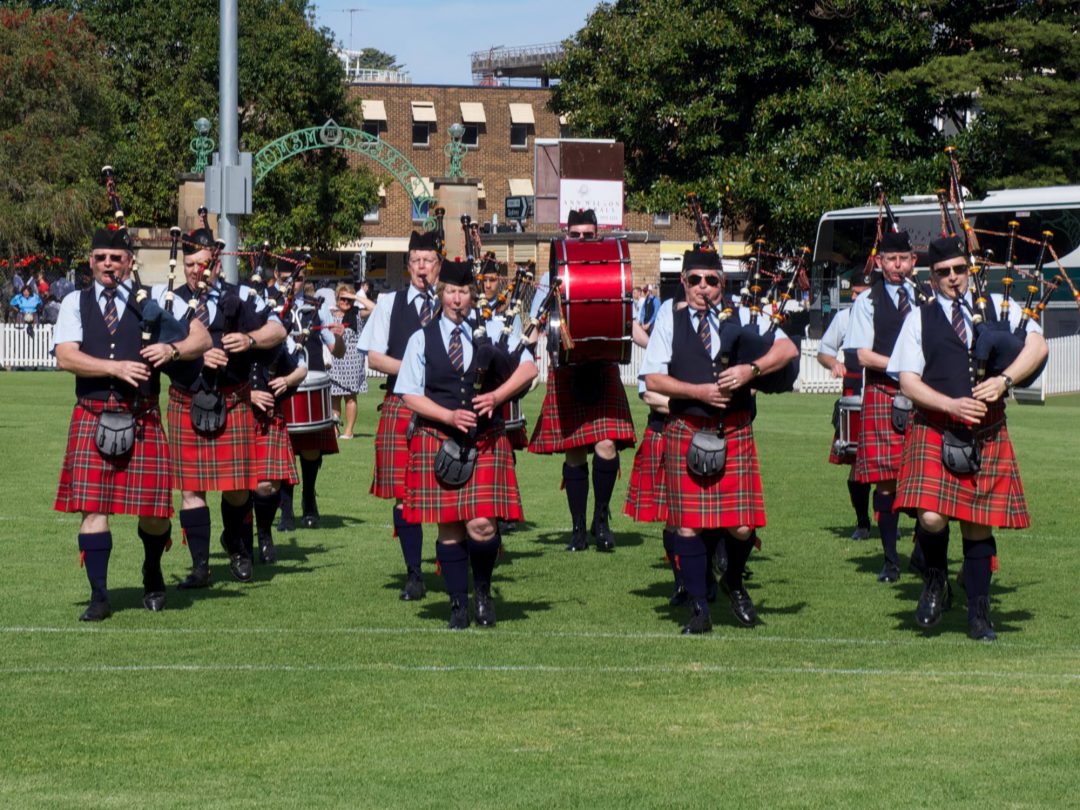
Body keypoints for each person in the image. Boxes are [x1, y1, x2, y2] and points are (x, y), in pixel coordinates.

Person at [888, 236, 1047, 641]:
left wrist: (1004, 380)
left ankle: (979, 610)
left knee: (978, 525)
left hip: (987, 432)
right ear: (932, 276)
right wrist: (951, 405)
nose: (953, 278)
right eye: (944, 272)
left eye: (960, 269)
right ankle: (936, 581)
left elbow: (1038, 345)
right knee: (931, 516)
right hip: (936, 427)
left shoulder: (1000, 306)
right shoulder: (918, 318)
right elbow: (907, 380)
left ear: (969, 269)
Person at [53, 227, 210, 620]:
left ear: (129, 263)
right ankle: (99, 595)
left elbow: (202, 338)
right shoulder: (76, 301)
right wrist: (114, 367)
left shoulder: (154, 298)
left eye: (116, 258)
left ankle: (153, 572)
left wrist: (171, 349)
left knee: (156, 513)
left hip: (142, 416)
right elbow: (66, 357)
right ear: (91, 262)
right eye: (101, 257)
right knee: (93, 509)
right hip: (92, 414)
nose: (108, 264)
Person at [641, 249, 798, 633]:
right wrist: (698, 392)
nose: (703, 288)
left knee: (742, 526)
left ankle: (734, 581)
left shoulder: (744, 314)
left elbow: (788, 349)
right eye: (694, 280)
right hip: (686, 428)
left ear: (722, 284)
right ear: (683, 282)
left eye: (711, 280)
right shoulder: (668, 318)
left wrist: (751, 369)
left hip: (735, 430)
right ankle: (699, 607)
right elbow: (653, 379)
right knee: (689, 527)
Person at [396, 258, 537, 628]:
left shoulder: (494, 328)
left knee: (483, 527)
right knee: (450, 527)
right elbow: (409, 393)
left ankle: (483, 593)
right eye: (452, 292)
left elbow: (529, 368)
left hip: (486, 439)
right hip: (439, 438)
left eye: (464, 292)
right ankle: (458, 602)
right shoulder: (421, 338)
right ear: (441, 293)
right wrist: (447, 416)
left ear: (473, 295)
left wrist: (496, 397)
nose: (458, 299)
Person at [155, 226, 286, 590]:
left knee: (238, 488)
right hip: (186, 398)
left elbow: (278, 330)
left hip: (232, 399)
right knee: (191, 490)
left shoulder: (241, 294)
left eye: (204, 264)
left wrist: (249, 338)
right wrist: (194, 355)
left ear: (216, 264)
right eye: (191, 263)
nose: (197, 270)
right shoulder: (169, 300)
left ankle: (238, 545)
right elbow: (155, 346)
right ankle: (199, 567)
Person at [528, 208, 637, 552]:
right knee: (575, 450)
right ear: (566, 234)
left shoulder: (610, 269)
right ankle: (577, 527)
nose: (582, 240)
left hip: (603, 364)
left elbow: (625, 315)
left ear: (599, 234)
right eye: (576, 235)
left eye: (588, 235)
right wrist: (530, 342)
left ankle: (600, 519)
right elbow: (535, 321)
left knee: (606, 446)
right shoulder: (553, 272)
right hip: (567, 366)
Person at [358, 230, 441, 600]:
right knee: (404, 494)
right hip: (401, 404)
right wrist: (416, 369)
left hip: (444, 405)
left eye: (429, 261)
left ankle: (450, 559)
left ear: (439, 266)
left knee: (448, 489)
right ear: (408, 266)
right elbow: (374, 357)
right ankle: (413, 573)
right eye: (417, 261)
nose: (423, 268)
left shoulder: (452, 301)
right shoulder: (390, 303)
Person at [842, 230, 921, 583]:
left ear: (913, 262)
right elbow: (861, 354)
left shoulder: (926, 297)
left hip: (924, 398)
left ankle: (921, 553)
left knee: (925, 477)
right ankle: (890, 560)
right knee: (887, 482)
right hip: (885, 394)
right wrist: (903, 367)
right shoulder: (866, 302)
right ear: (879, 262)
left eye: (903, 259)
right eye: (891, 259)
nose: (897, 266)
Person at [275, 253, 345, 530]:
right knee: (283, 451)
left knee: (311, 451)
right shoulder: (269, 306)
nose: (293, 285)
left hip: (311, 385)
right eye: (287, 279)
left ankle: (309, 499)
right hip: (279, 385)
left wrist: (338, 335)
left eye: (299, 279)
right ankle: (286, 510)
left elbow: (336, 351)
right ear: (277, 278)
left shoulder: (318, 307)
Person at [816, 274, 873, 540]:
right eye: (852, 293)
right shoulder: (844, 318)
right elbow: (824, 351)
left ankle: (890, 522)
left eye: (859, 292)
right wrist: (833, 364)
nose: (853, 298)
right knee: (857, 461)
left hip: (887, 394)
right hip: (854, 394)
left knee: (893, 464)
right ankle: (862, 522)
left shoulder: (889, 316)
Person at [248, 334, 307, 563]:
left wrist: (287, 380)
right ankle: (236, 537)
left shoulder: (276, 332)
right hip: (239, 412)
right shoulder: (233, 331)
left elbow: (302, 368)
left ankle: (264, 535)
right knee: (238, 488)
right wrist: (249, 394)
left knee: (268, 485)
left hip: (270, 416)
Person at [328, 283, 366, 440]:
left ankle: (349, 431)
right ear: (337, 299)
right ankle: (334, 430)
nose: (345, 302)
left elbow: (375, 308)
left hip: (352, 360)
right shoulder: (329, 315)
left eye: (348, 299)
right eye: (342, 298)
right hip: (335, 359)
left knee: (350, 396)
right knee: (334, 395)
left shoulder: (357, 313)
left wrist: (356, 297)